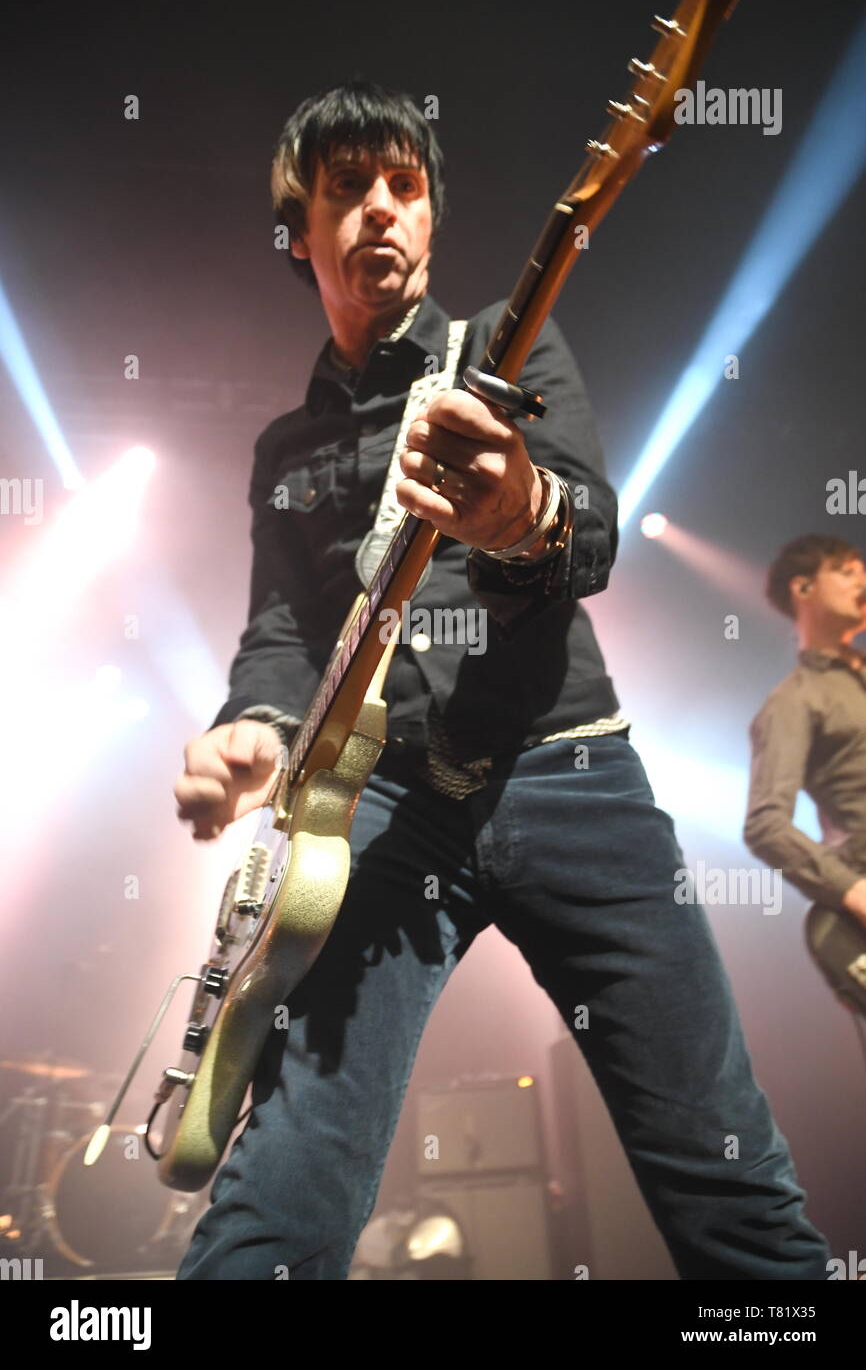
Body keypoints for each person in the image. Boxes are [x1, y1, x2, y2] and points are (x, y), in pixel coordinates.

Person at [173, 79, 832, 1280]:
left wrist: (518, 508)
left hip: (572, 770)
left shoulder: (506, 348)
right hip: (385, 806)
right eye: (346, 190)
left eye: (404, 186)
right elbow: (280, 630)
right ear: (300, 230)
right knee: (283, 1189)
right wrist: (251, 730)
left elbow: (587, 535)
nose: (381, 209)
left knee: (724, 1179)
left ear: (429, 216)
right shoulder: (287, 449)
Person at [744, 535, 866, 932]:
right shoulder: (793, 701)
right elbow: (766, 826)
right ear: (803, 588)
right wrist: (850, 890)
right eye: (846, 573)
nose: (860, 582)